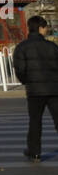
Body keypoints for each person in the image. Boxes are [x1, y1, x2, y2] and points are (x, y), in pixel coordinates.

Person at [13, 16, 58, 161]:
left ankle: (35, 152)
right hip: (54, 89)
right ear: (40, 28)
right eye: (45, 28)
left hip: (34, 91)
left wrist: (27, 81)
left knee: (35, 121)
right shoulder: (52, 47)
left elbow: (20, 70)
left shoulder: (21, 47)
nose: (46, 30)